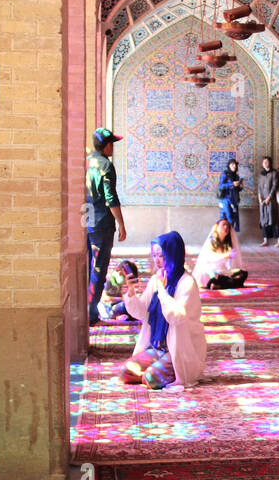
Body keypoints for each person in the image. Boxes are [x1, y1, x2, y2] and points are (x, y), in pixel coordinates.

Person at [121, 232, 207, 392]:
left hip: (180, 349)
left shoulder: (187, 283)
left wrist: (161, 289)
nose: (157, 260)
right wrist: (131, 291)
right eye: (154, 255)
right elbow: (142, 313)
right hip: (157, 348)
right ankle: (154, 369)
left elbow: (176, 317)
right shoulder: (157, 279)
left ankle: (164, 372)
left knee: (150, 378)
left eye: (161, 255)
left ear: (173, 254)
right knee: (126, 372)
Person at [86, 127, 127, 326]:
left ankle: (85, 310)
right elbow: (111, 198)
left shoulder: (85, 162)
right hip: (102, 223)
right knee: (98, 269)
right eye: (112, 144)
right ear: (107, 145)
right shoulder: (106, 166)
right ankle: (91, 314)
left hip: (85, 221)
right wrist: (121, 224)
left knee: (86, 267)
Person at [194, 218, 248, 289]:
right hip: (210, 271)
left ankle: (218, 284)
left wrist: (230, 267)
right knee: (213, 276)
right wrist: (225, 256)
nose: (226, 227)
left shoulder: (228, 244)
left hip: (223, 271)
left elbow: (231, 264)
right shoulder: (211, 241)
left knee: (243, 273)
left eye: (227, 226)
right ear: (217, 227)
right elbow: (209, 259)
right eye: (223, 225)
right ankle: (220, 283)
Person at [258, 155, 279, 246]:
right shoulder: (261, 174)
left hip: (271, 200)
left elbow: (274, 186)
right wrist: (260, 198)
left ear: (270, 163)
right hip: (263, 201)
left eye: (267, 162)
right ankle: (265, 240)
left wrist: (269, 197)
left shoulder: (274, 173)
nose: (265, 164)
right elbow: (259, 187)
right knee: (264, 220)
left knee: (274, 219)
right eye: (264, 162)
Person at [217, 158, 243, 234]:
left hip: (234, 199)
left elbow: (236, 190)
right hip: (225, 199)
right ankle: (223, 236)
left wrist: (240, 187)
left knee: (234, 219)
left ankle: (230, 238)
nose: (234, 166)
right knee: (227, 217)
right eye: (232, 164)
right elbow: (220, 186)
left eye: (235, 164)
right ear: (229, 166)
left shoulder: (237, 176)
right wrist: (232, 184)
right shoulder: (225, 174)